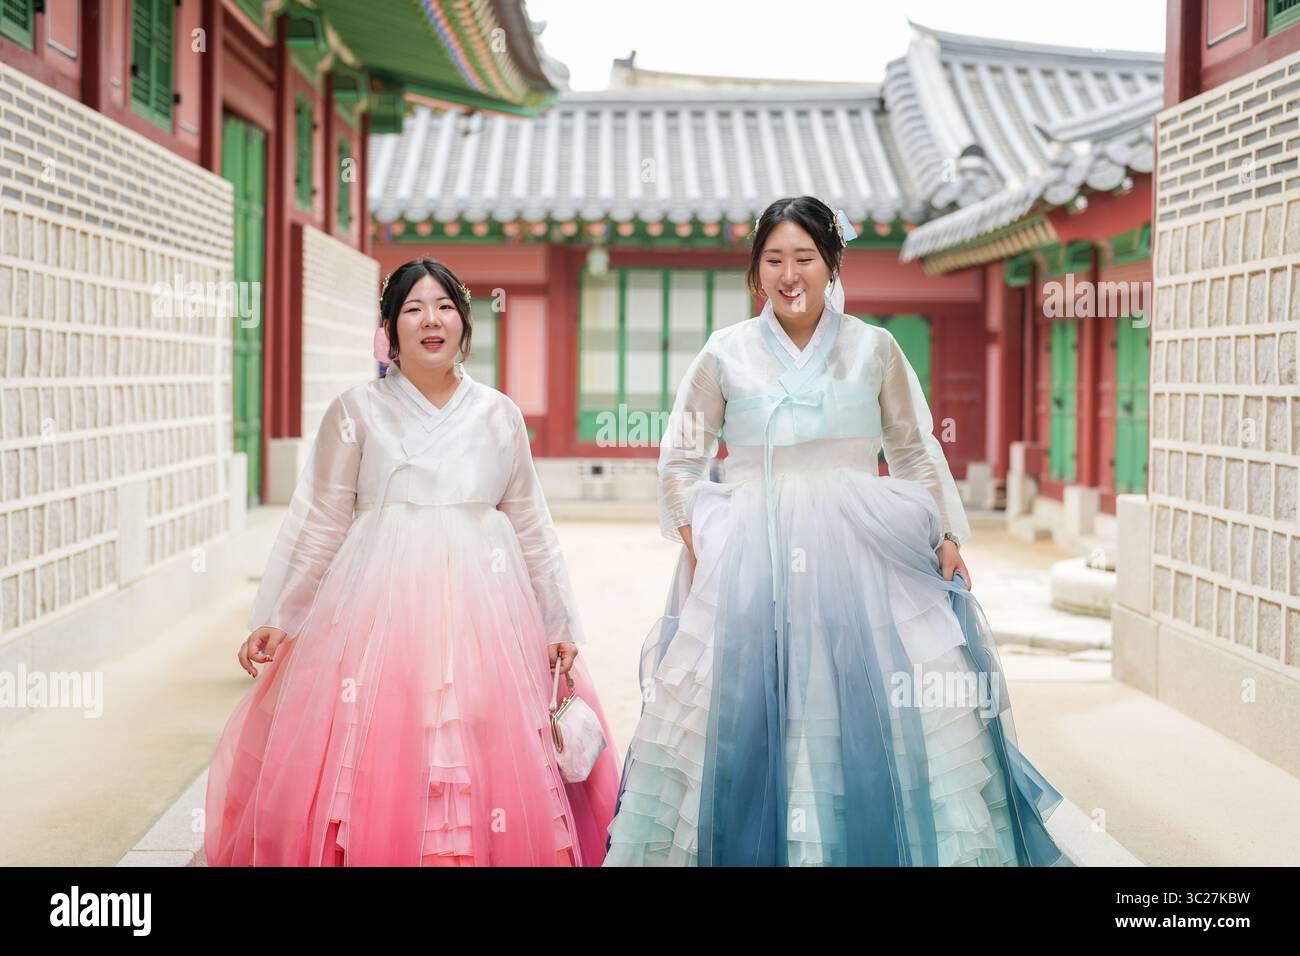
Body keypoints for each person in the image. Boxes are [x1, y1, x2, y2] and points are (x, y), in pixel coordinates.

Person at [603, 196, 1073, 866]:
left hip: (859, 545)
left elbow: (912, 450)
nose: (789, 275)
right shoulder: (725, 352)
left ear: (832, 265)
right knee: (738, 703)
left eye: (804, 258)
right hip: (750, 546)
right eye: (774, 260)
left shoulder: (873, 348)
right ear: (756, 272)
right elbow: (681, 454)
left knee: (870, 697)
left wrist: (945, 535)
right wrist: (699, 539)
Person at [205, 257, 620, 866]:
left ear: (465, 322)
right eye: (414, 309)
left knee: (478, 738)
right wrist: (282, 615)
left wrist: (559, 621)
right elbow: (322, 520)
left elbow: (532, 523)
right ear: (390, 329)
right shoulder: (356, 411)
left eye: (445, 307)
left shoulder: (498, 414)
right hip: (377, 614)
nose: (432, 320)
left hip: (489, 617)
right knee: (380, 739)